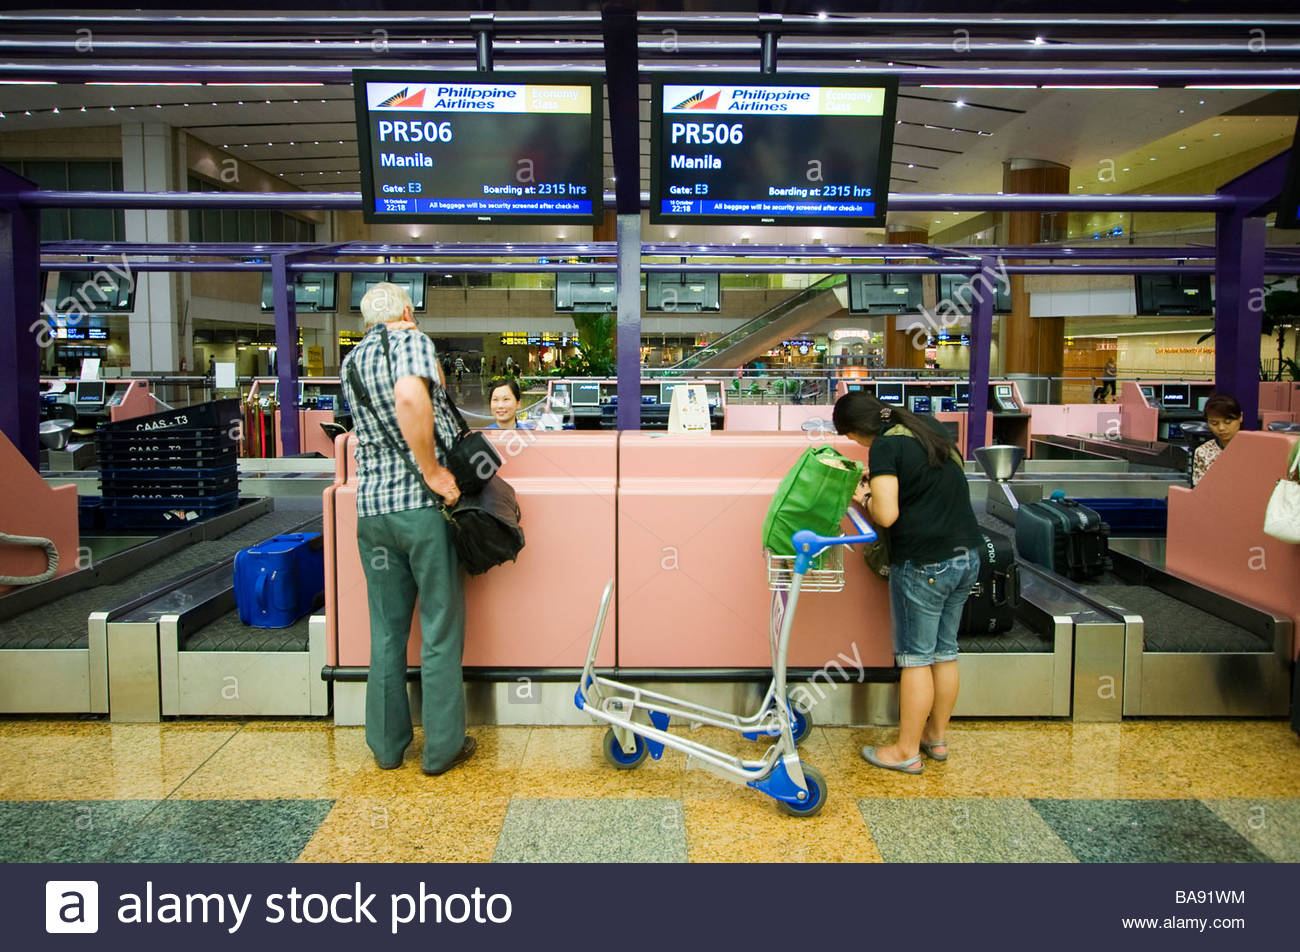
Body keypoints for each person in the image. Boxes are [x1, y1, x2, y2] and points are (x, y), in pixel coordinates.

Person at [339, 282, 476, 776]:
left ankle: (387, 747)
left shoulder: (350, 361)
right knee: (439, 629)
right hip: (422, 510)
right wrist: (432, 471)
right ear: (407, 310)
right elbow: (410, 398)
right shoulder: (412, 339)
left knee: (386, 633)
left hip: (373, 513)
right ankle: (442, 748)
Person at [832, 391, 984, 775]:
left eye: (852, 439)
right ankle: (936, 738)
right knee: (944, 653)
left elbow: (887, 513)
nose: (858, 446)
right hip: (967, 556)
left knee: (915, 659)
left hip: (924, 563)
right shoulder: (926, 427)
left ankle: (905, 751)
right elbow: (924, 483)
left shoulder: (885, 445)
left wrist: (862, 498)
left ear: (859, 429)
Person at [1192, 392, 1243, 487]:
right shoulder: (1203, 452)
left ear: (1240, 417)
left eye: (1228, 422)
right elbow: (1200, 490)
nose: (1221, 428)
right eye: (1214, 423)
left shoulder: (1254, 449)